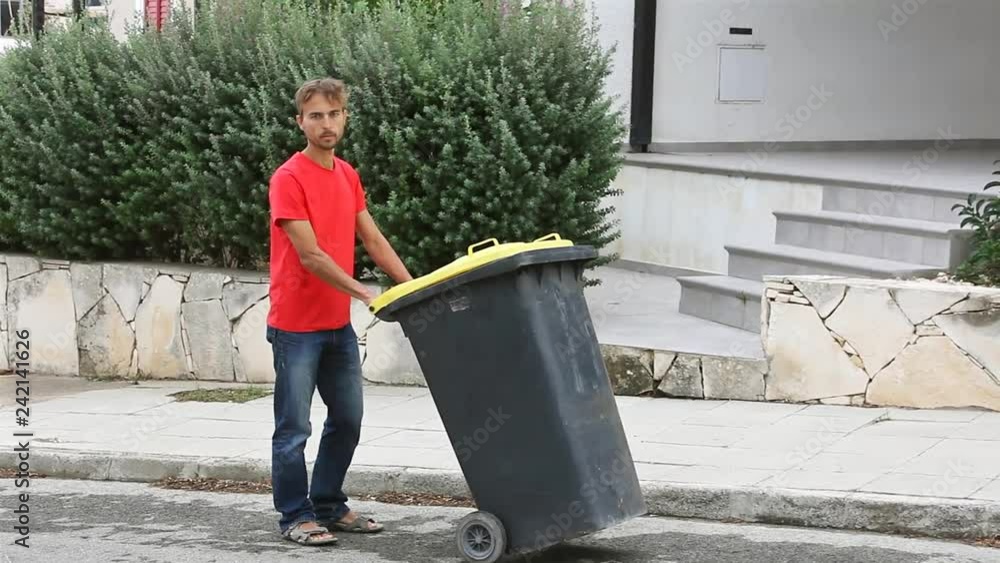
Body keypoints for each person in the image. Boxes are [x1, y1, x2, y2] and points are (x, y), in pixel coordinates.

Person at [265, 77, 413, 547]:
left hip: (336, 325)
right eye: (315, 116)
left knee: (347, 420)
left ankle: (328, 504)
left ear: (345, 117)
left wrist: (414, 288)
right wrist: (365, 292)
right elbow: (310, 256)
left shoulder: (347, 175)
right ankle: (294, 515)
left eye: (334, 114)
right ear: (300, 122)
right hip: (296, 327)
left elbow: (371, 238)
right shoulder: (288, 179)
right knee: (294, 429)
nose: (326, 124)